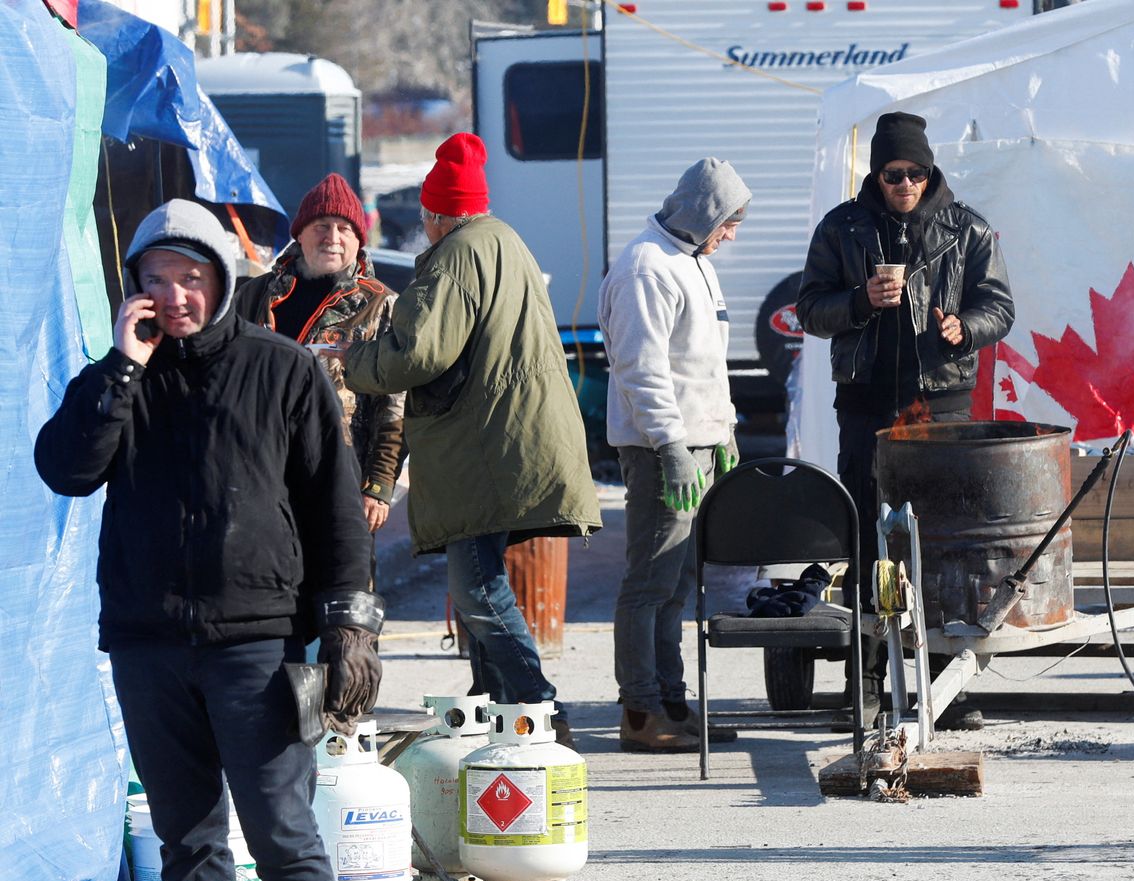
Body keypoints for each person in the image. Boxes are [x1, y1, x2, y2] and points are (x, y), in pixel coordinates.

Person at [34, 199, 380, 881]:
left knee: (282, 833)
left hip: (259, 642)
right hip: (147, 643)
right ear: (134, 288)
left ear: (222, 278)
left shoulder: (284, 371)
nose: (175, 296)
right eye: (156, 280)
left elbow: (335, 510)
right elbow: (67, 469)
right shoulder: (122, 378)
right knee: (186, 842)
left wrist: (349, 626)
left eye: (191, 277)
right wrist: (121, 367)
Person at [342, 133, 602, 747]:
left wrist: (356, 359)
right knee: (483, 580)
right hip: (517, 439)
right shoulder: (504, 240)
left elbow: (418, 352)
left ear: (435, 215)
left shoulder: (457, 255)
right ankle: (494, 709)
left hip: (487, 445)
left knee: (477, 590)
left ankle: (537, 704)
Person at [796, 111, 1015, 726]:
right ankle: (864, 685)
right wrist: (859, 302)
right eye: (895, 174)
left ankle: (946, 688)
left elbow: (998, 306)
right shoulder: (841, 229)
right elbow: (809, 309)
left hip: (939, 406)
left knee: (943, 544)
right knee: (866, 536)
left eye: (917, 173)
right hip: (865, 402)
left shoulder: (966, 228)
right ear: (877, 172)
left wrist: (963, 327)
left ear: (930, 170)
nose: (907, 185)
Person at [598, 158, 749, 752]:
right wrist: (672, 447)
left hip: (698, 444)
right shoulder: (646, 266)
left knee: (677, 585)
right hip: (666, 453)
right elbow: (642, 369)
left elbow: (703, 362)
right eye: (730, 221)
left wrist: (725, 427)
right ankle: (640, 711)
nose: (732, 234)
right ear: (704, 213)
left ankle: (670, 701)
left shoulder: (690, 261)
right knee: (650, 582)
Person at [235, 173, 405, 550]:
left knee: (344, 592)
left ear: (359, 239)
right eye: (321, 225)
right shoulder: (255, 296)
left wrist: (378, 485)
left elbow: (395, 403)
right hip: (258, 475)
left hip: (342, 477)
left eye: (344, 228)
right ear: (300, 233)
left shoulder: (380, 306)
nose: (332, 236)